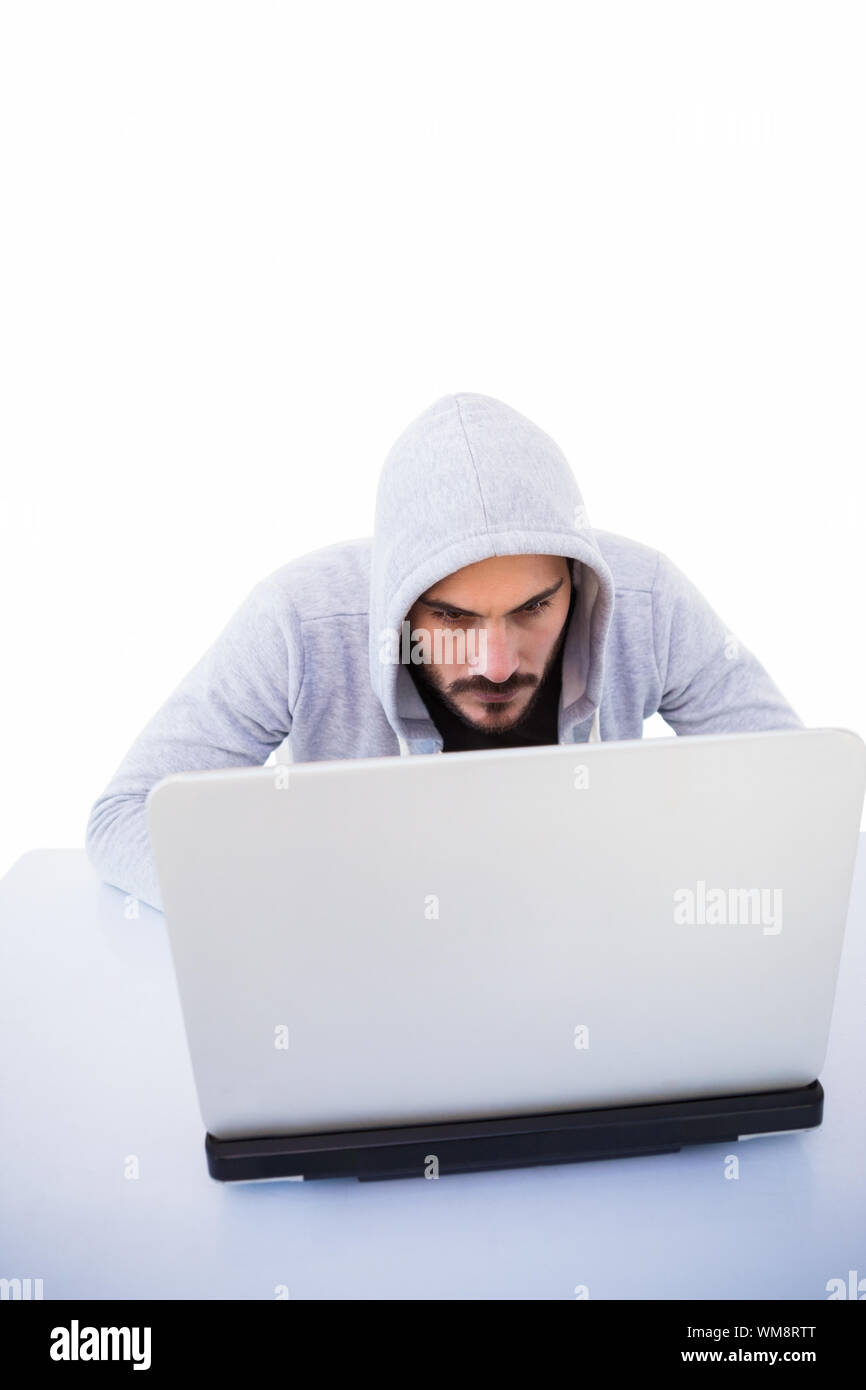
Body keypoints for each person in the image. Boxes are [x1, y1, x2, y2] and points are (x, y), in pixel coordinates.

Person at [85, 392, 801, 910]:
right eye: (452, 615)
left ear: (577, 583)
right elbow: (125, 817)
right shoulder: (299, 620)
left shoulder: (648, 600)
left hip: (590, 962)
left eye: (534, 608)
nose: (495, 662)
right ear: (395, 599)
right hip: (376, 980)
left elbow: (795, 786)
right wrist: (292, 912)